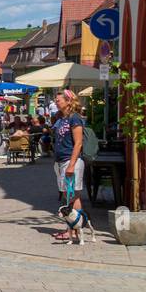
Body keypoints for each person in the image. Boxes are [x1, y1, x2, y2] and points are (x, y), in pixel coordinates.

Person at [51, 90, 87, 242]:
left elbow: (78, 143)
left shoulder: (75, 118)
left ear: (68, 101)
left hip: (70, 161)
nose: (56, 102)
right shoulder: (61, 118)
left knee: (73, 196)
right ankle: (72, 229)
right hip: (60, 162)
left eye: (58, 100)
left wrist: (71, 165)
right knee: (68, 196)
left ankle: (75, 230)